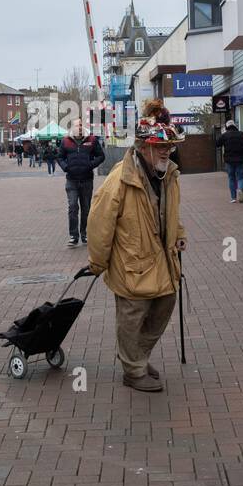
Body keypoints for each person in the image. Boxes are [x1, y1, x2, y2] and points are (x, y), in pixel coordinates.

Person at [87, 102, 186, 393]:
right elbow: (99, 222)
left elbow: (172, 211)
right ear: (143, 147)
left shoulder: (168, 174)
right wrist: (98, 261)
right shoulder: (120, 178)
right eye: (160, 146)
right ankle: (133, 370)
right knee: (132, 315)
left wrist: (179, 232)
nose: (167, 151)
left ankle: (137, 358)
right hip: (131, 260)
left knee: (166, 303)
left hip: (161, 258)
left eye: (169, 146)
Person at [61, 116, 105, 247]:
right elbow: (59, 156)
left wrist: (91, 165)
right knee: (73, 207)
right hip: (72, 181)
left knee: (86, 209)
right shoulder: (65, 141)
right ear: (72, 128)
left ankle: (84, 234)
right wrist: (65, 167)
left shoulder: (91, 140)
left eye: (80, 125)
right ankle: (74, 236)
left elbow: (101, 156)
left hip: (86, 180)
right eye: (76, 126)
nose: (78, 128)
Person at [216, 119, 243, 203]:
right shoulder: (241, 134)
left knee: (231, 178)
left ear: (227, 127)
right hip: (241, 159)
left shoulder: (225, 135)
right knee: (240, 177)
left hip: (229, 160)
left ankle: (233, 197)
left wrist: (222, 134)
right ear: (235, 126)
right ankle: (240, 190)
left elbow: (217, 144)